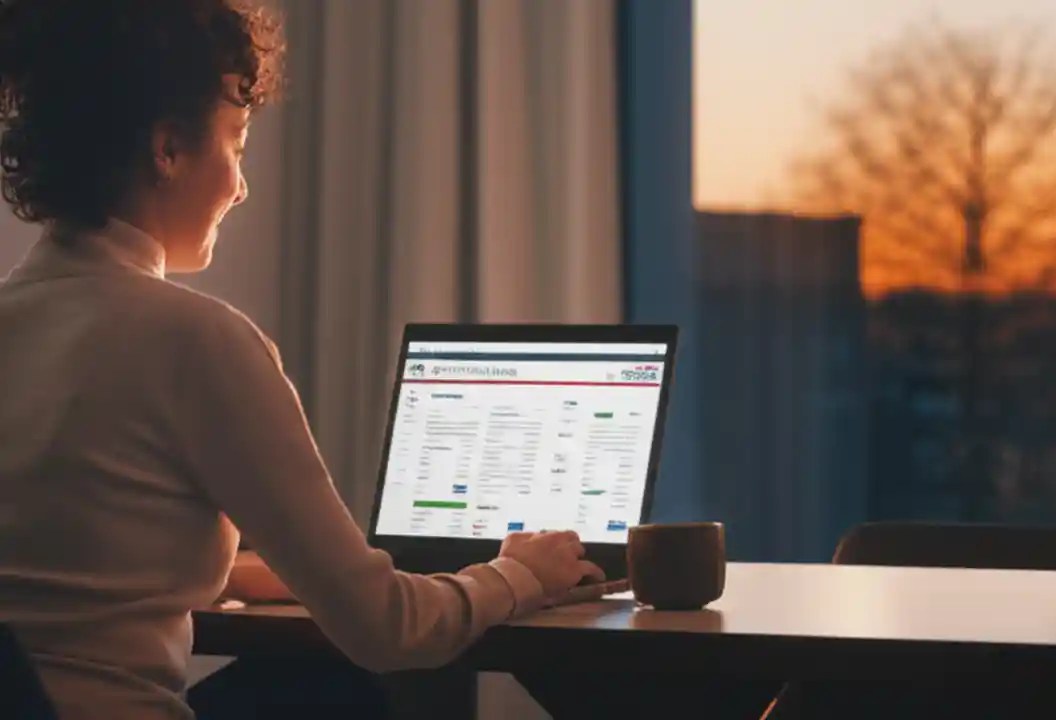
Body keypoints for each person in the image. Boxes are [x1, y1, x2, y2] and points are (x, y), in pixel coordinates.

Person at [0, 1, 605, 718]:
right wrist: (517, 575)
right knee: (345, 693)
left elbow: (75, 566)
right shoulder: (197, 341)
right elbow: (387, 626)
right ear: (167, 149)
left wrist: (276, 575)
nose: (241, 185)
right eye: (238, 145)